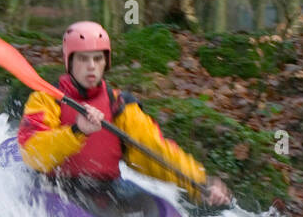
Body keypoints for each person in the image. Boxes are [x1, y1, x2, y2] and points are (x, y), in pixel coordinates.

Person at [17, 21, 232, 206]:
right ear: (69, 62)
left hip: (105, 190)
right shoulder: (46, 99)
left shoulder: (120, 105)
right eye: (83, 58)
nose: (91, 67)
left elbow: (154, 151)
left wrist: (201, 183)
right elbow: (34, 154)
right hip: (55, 187)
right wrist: (76, 130)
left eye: (97, 58)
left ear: (106, 62)